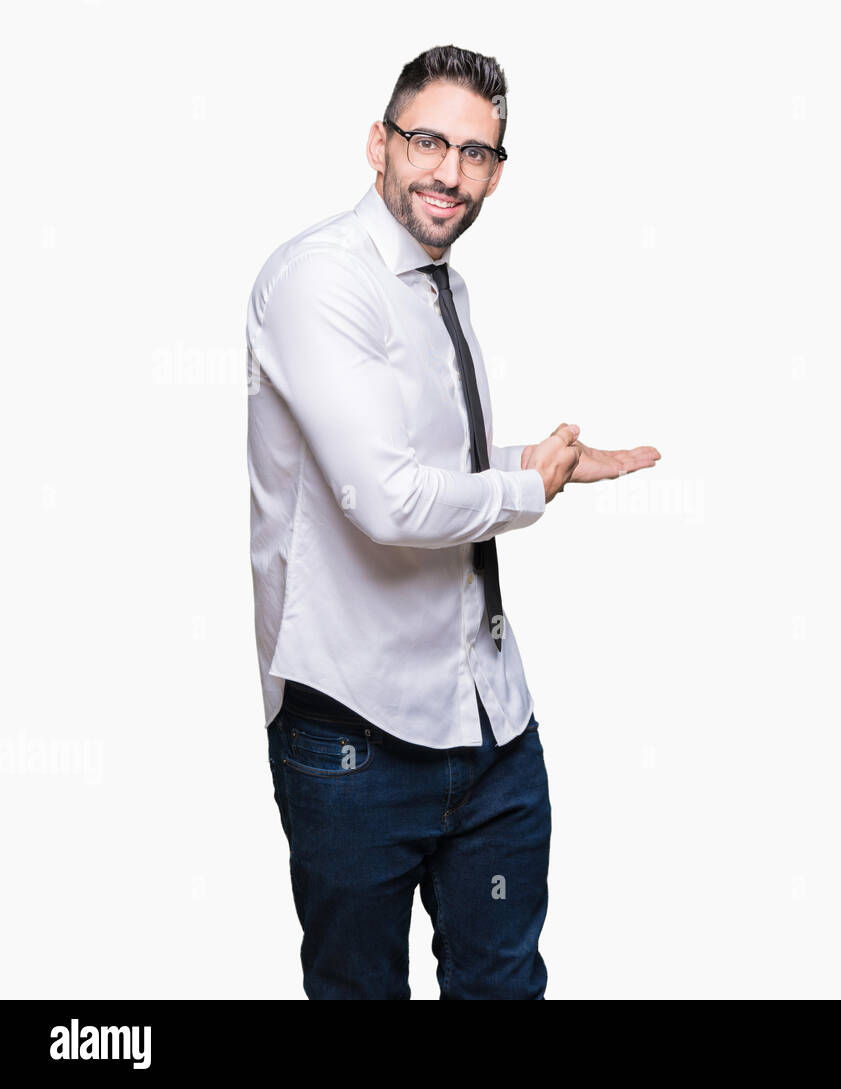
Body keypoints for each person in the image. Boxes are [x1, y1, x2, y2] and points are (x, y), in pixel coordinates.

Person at [244, 43, 659, 999]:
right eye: (428, 141)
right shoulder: (320, 281)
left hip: (488, 725)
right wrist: (527, 492)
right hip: (356, 731)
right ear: (378, 144)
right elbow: (386, 500)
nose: (450, 172)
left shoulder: (441, 283)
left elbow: (422, 466)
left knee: (505, 985)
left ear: (498, 174)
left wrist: (536, 463)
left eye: (477, 154)